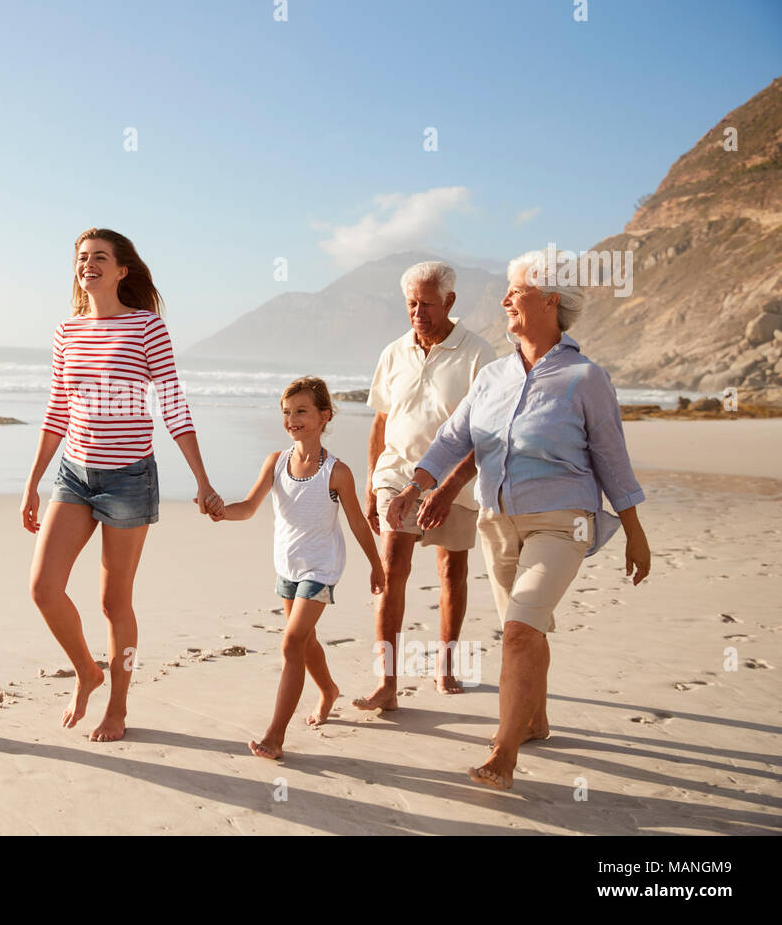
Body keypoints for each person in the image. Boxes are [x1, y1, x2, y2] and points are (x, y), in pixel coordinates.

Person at [387, 249, 652, 790]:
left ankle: (504, 753)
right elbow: (453, 440)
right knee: (527, 630)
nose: (506, 298)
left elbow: (612, 458)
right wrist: (416, 486)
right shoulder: (493, 377)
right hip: (497, 523)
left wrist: (635, 532)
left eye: (516, 290)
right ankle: (535, 719)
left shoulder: (585, 377)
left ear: (550, 300)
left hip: (562, 523)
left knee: (515, 632)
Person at [21, 228, 222, 742]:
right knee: (44, 589)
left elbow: (174, 404)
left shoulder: (146, 327)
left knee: (114, 603)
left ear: (120, 270)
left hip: (129, 479)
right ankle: (88, 670)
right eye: (82, 258)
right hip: (74, 474)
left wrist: (202, 479)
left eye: (100, 258)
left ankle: (118, 706)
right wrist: (32, 482)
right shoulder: (66, 331)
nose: (88, 265)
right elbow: (58, 410)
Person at [210, 377, 384, 759]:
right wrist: (222, 512)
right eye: (287, 413)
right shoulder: (276, 462)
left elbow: (356, 522)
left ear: (324, 416)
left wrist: (376, 564)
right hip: (287, 565)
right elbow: (249, 507)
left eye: (302, 411)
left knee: (291, 643)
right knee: (305, 643)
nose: (292, 419)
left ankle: (275, 735)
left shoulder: (336, 472)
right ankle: (328, 691)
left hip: (321, 569)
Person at [356, 261, 496, 709]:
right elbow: (381, 421)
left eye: (427, 305)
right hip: (395, 477)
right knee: (391, 571)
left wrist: (449, 487)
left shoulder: (479, 353)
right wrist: (370, 479)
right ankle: (387, 682)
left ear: (450, 302)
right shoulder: (393, 352)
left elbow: (485, 432)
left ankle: (447, 664)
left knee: (451, 572)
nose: (418, 313)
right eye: (412, 304)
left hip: (453, 482)